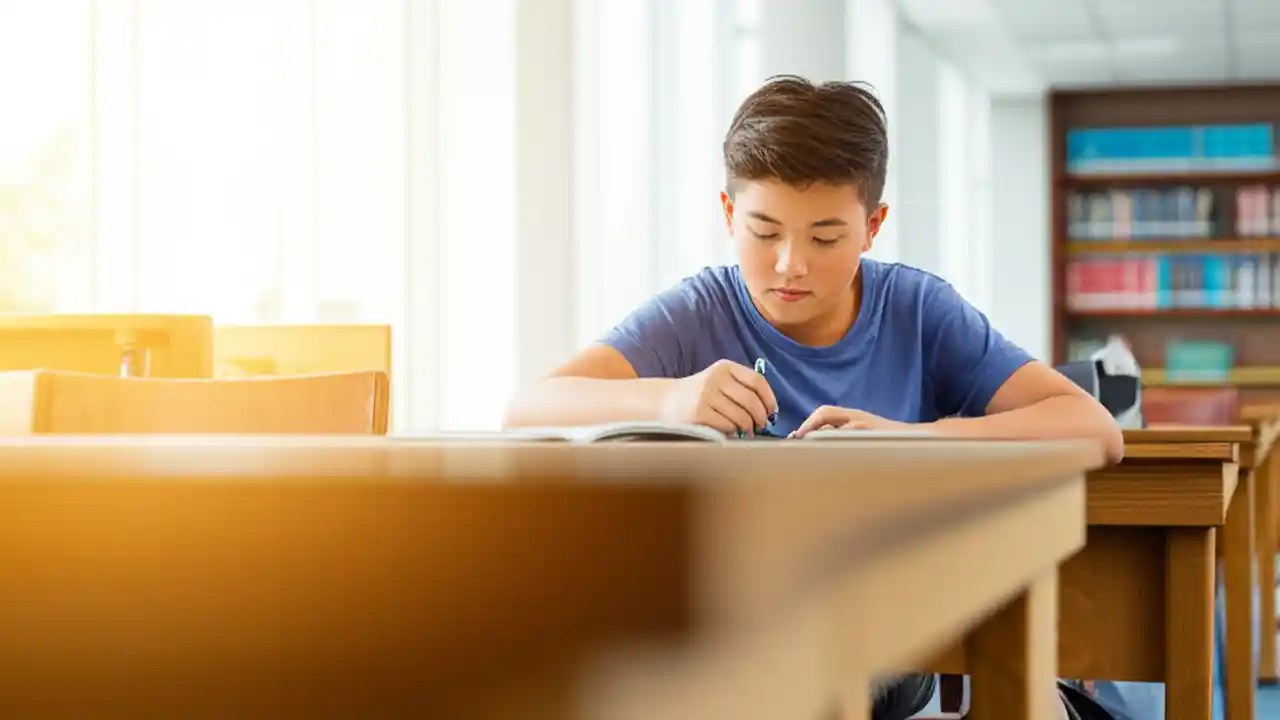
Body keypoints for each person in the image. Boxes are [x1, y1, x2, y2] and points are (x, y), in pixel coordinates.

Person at [503, 74, 1123, 464]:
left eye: (825, 237)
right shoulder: (699, 310)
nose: (789, 265)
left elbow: (1094, 429)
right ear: (728, 212)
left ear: (872, 227)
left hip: (889, 625)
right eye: (763, 232)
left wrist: (907, 439)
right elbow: (529, 409)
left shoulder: (917, 310)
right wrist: (671, 401)